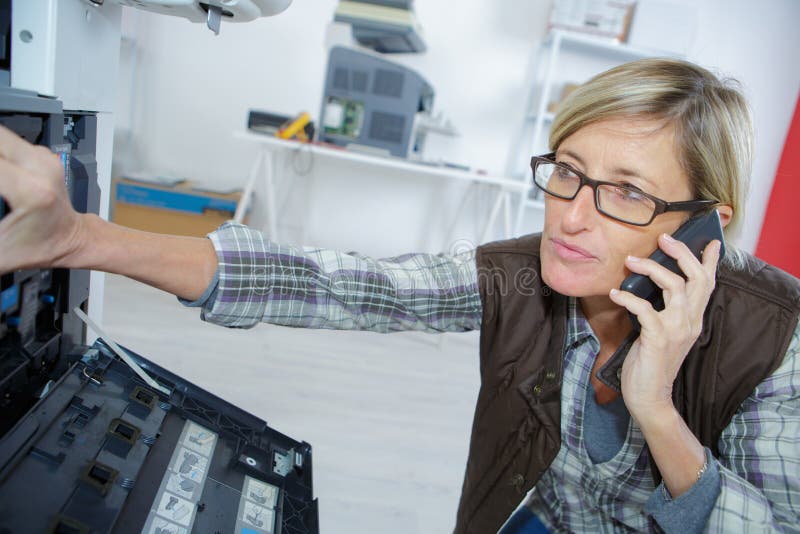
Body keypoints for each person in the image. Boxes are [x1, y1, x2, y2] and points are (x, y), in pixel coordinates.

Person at [0, 58, 798, 533]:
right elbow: (343, 285)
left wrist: (656, 407)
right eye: (567, 172)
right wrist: (82, 240)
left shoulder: (778, 342)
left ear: (706, 228)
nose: (571, 216)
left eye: (625, 192)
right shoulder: (523, 275)